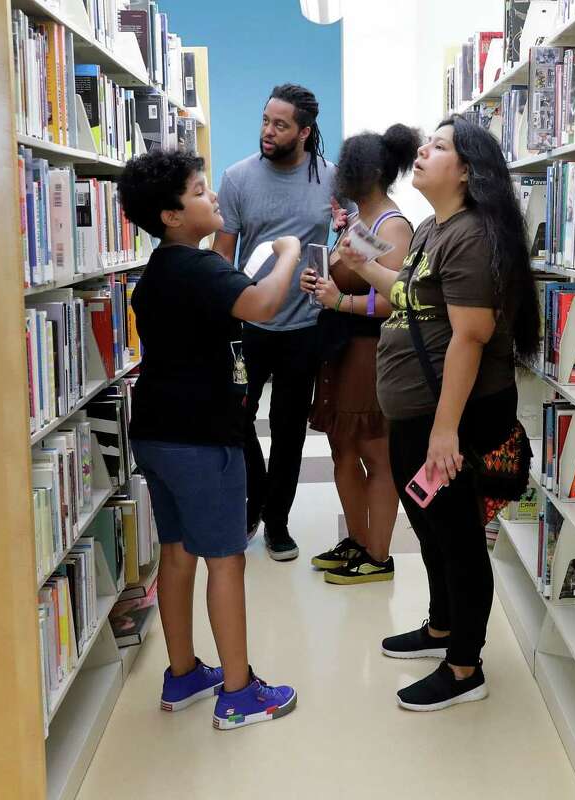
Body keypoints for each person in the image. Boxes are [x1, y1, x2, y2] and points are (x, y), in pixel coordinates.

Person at [338, 117, 539, 711]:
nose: (422, 152)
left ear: (468, 171)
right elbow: (409, 292)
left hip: (452, 417)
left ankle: (463, 669)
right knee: (429, 529)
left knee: (457, 538)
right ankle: (442, 626)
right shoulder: (433, 227)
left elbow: (471, 334)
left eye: (440, 146)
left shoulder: (472, 235)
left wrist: (445, 430)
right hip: (419, 416)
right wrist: (363, 263)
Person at [116, 149, 301, 730]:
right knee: (226, 561)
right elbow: (265, 304)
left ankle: (182, 673)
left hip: (157, 433)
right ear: (172, 215)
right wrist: (288, 252)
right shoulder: (202, 269)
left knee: (176, 552)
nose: (213, 197)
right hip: (204, 436)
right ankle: (240, 691)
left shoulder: (156, 271)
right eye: (200, 191)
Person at [213, 83, 352, 562]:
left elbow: (359, 247)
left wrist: (343, 235)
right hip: (248, 330)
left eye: (280, 125)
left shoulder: (334, 181)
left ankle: (277, 523)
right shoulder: (236, 178)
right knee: (236, 417)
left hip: (305, 328)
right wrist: (221, 318)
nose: (268, 132)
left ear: (305, 132)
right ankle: (257, 501)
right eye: (265, 120)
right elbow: (222, 254)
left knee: (290, 429)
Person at [299, 124, 420, 586]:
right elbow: (353, 276)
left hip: (371, 354)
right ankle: (358, 540)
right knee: (343, 450)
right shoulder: (360, 221)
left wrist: (340, 301)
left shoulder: (391, 225)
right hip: (341, 351)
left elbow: (396, 299)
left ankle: (379, 554)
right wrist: (323, 283)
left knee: (375, 454)